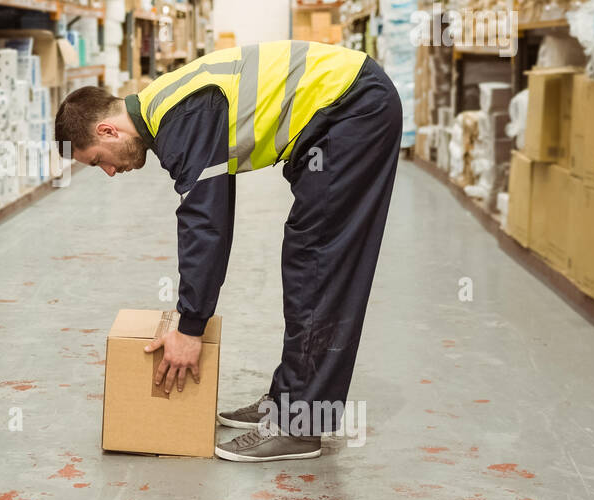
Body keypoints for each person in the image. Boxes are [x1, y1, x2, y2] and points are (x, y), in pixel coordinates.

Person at [54, 41, 403, 462]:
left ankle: (301, 425)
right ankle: (287, 401)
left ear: (107, 131)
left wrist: (190, 327)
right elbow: (207, 217)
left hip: (354, 108)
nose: (110, 172)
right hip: (340, 112)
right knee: (307, 253)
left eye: (97, 161)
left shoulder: (181, 117)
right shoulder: (165, 111)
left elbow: (208, 221)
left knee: (319, 260)